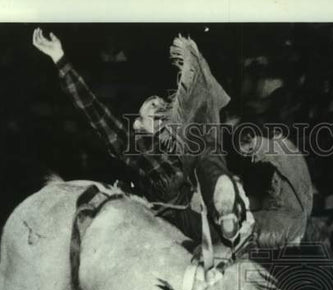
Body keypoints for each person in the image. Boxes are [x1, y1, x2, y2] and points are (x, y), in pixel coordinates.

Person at [32, 28, 252, 250]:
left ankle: (227, 211)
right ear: (138, 124)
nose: (160, 107)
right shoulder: (134, 146)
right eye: (152, 104)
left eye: (163, 105)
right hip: (178, 218)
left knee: (205, 147)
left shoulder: (178, 138)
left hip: (207, 206)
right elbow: (95, 111)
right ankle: (223, 218)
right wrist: (60, 59)